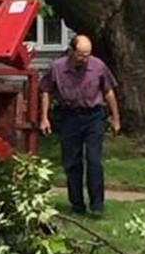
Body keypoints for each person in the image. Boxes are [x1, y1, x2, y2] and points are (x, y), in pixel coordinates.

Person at [38, 33, 121, 217]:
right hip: (69, 117)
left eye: (88, 55)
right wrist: (44, 117)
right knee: (72, 162)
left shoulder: (98, 66)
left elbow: (108, 92)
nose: (85, 59)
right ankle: (77, 205)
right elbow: (46, 91)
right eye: (81, 55)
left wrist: (115, 119)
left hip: (94, 117)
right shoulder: (58, 67)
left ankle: (97, 205)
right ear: (71, 51)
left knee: (93, 160)